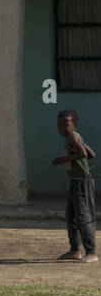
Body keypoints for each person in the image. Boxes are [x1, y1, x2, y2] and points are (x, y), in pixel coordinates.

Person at [52, 109, 97, 262]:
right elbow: (91, 154)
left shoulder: (72, 136)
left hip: (82, 182)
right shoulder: (74, 137)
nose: (61, 128)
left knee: (83, 216)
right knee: (71, 216)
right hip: (75, 181)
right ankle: (75, 250)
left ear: (75, 125)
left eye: (65, 124)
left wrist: (61, 159)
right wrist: (78, 151)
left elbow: (83, 155)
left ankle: (91, 252)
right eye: (59, 124)